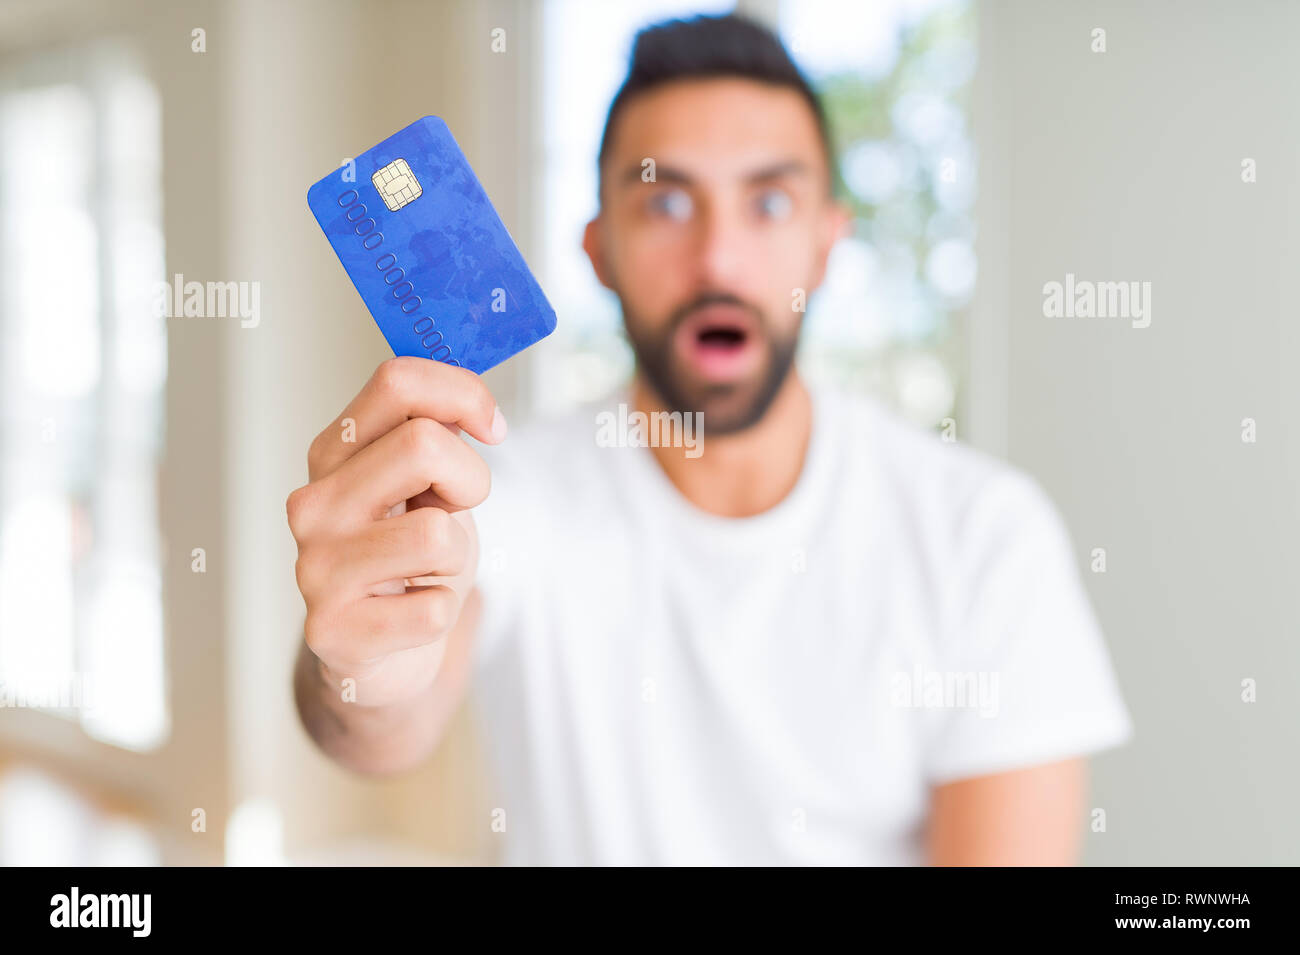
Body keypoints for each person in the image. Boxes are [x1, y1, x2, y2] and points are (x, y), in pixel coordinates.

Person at [288, 13, 1132, 866]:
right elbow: (373, 727)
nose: (719, 258)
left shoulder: (983, 534)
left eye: (769, 201)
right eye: (666, 201)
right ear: (599, 249)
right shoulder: (500, 498)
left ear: (826, 244)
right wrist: (367, 670)